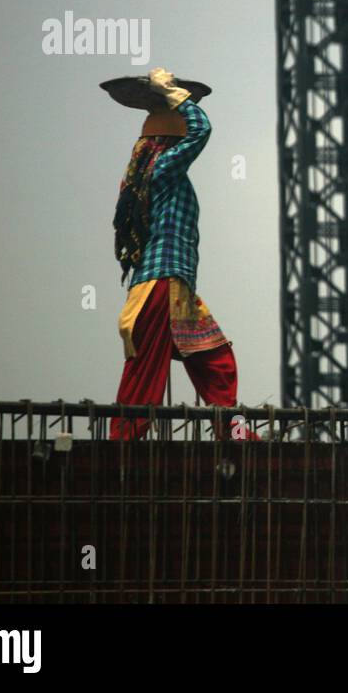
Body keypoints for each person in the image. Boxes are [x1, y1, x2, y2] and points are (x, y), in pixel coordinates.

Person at [106, 68, 254, 441]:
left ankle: (232, 432)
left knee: (215, 359)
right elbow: (202, 130)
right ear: (171, 142)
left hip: (172, 285)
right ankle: (120, 443)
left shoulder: (141, 175)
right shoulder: (163, 168)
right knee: (145, 372)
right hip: (162, 285)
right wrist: (171, 91)